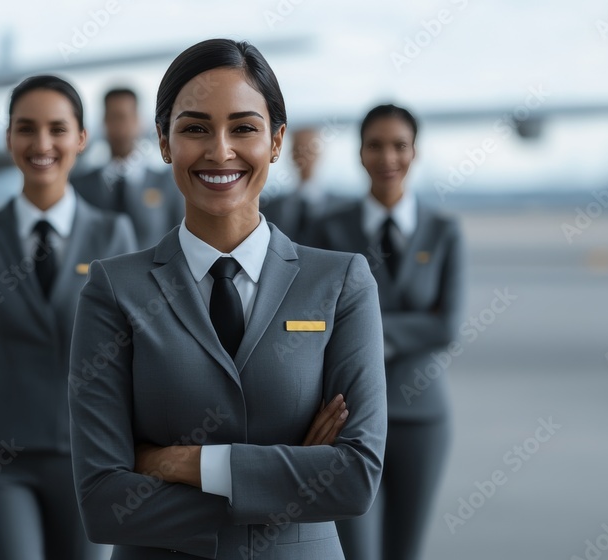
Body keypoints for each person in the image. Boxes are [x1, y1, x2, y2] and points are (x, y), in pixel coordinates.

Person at [68, 39, 387, 559]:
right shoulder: (113, 289)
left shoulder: (342, 282)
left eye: (244, 128)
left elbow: (354, 480)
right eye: (195, 128)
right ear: (164, 142)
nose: (220, 151)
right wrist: (289, 480)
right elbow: (104, 503)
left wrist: (180, 463)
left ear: (277, 141)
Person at [0, 75, 136, 560]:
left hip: (92, 461)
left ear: (82, 139)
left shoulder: (114, 235)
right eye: (26, 129)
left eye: (57, 129)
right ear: (8, 139)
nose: (41, 144)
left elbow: (139, 360)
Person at [312, 104, 465, 560]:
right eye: (375, 146)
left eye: (399, 145)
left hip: (422, 417)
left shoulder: (443, 232)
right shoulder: (327, 228)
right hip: (349, 420)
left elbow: (446, 325)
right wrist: (407, 327)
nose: (388, 158)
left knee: (406, 550)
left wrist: (364, 330)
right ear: (359, 154)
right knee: (355, 552)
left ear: (415, 152)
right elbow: (318, 322)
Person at [72, 87, 184, 249]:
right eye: (114, 117)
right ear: (104, 121)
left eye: (126, 117)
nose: (120, 126)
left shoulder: (168, 184)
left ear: (139, 121)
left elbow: (181, 241)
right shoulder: (81, 186)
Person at [261, 127, 348, 243]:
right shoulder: (269, 207)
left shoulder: (343, 207)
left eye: (311, 149)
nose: (304, 156)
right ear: (291, 155)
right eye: (298, 149)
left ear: (320, 154)